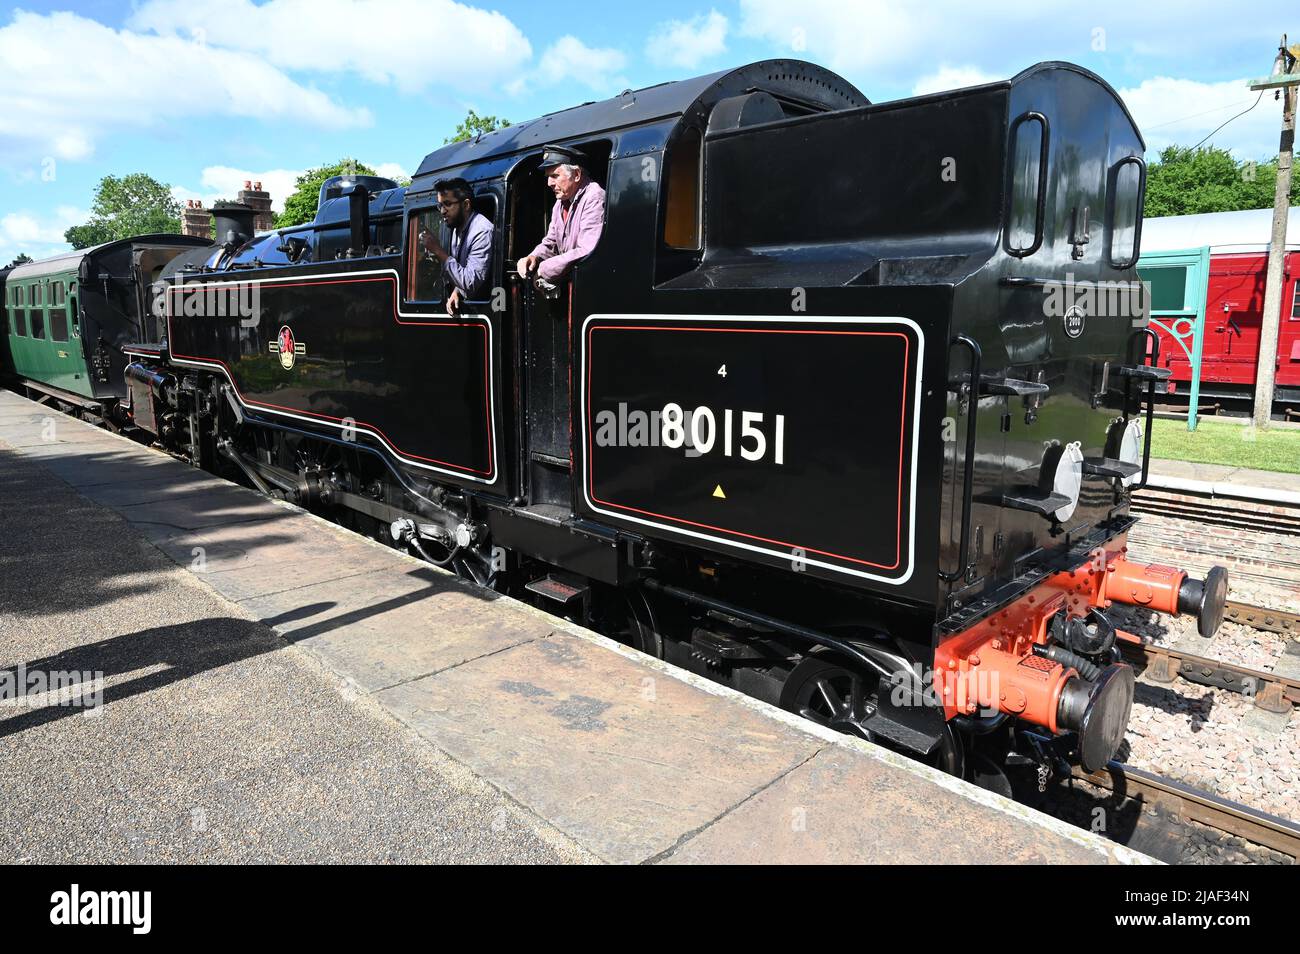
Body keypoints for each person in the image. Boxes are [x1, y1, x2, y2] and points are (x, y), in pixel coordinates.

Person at [516, 144, 606, 285]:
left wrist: (544, 269)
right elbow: (551, 242)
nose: (549, 183)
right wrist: (534, 256)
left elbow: (587, 249)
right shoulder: (560, 202)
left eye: (555, 176)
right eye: (548, 177)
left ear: (576, 175)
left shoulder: (594, 197)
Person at [420, 177, 493, 313]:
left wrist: (438, 250)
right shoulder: (456, 227)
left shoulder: (482, 231)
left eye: (447, 204)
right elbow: (464, 268)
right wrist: (457, 291)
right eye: (440, 205)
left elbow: (471, 282)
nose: (442, 211)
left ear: (466, 205)